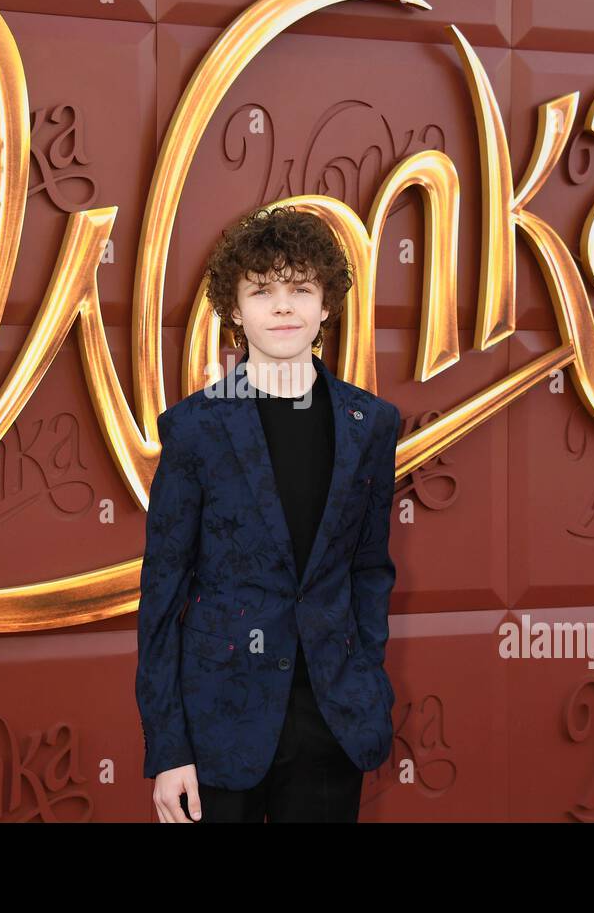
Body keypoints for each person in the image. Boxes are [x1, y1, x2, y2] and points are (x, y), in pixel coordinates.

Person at [135, 204, 401, 822]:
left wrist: (368, 680)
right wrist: (167, 747)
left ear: (326, 304)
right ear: (234, 309)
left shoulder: (372, 424)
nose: (283, 307)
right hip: (217, 724)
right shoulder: (196, 428)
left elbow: (370, 569)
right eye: (262, 290)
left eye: (300, 289)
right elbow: (162, 594)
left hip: (332, 718)